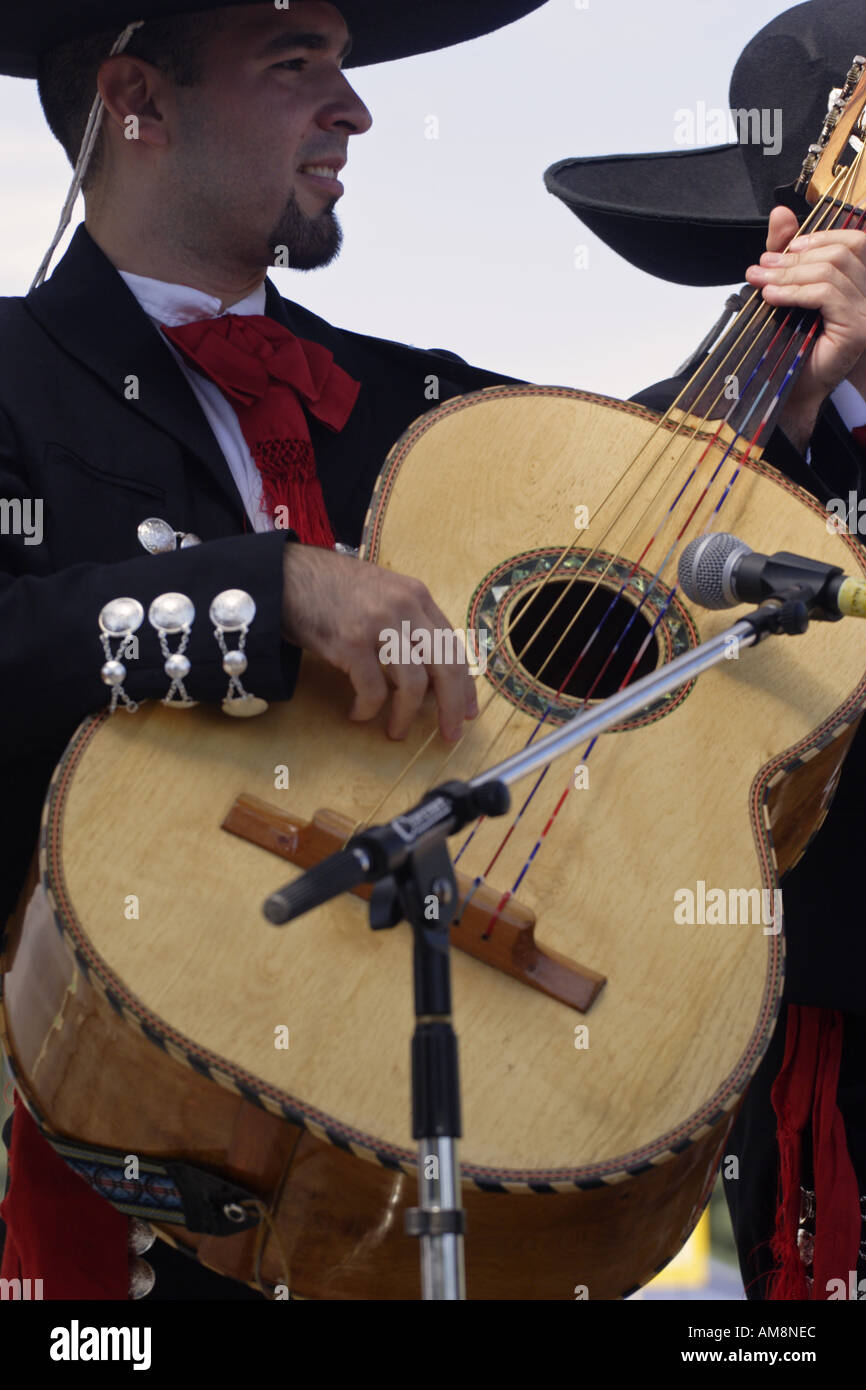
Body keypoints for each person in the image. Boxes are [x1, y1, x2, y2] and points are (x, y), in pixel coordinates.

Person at [2, 0, 865, 1301]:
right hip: (110, 1119)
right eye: (300, 69)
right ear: (137, 100)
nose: (352, 112)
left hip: (431, 1109)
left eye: (346, 72)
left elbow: (626, 523)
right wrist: (268, 589)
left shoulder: (430, 401)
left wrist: (787, 386)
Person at [546, 0, 866, 1300]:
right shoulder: (647, 443)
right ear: (806, 227)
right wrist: (776, 419)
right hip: (817, 997)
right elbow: (577, 647)